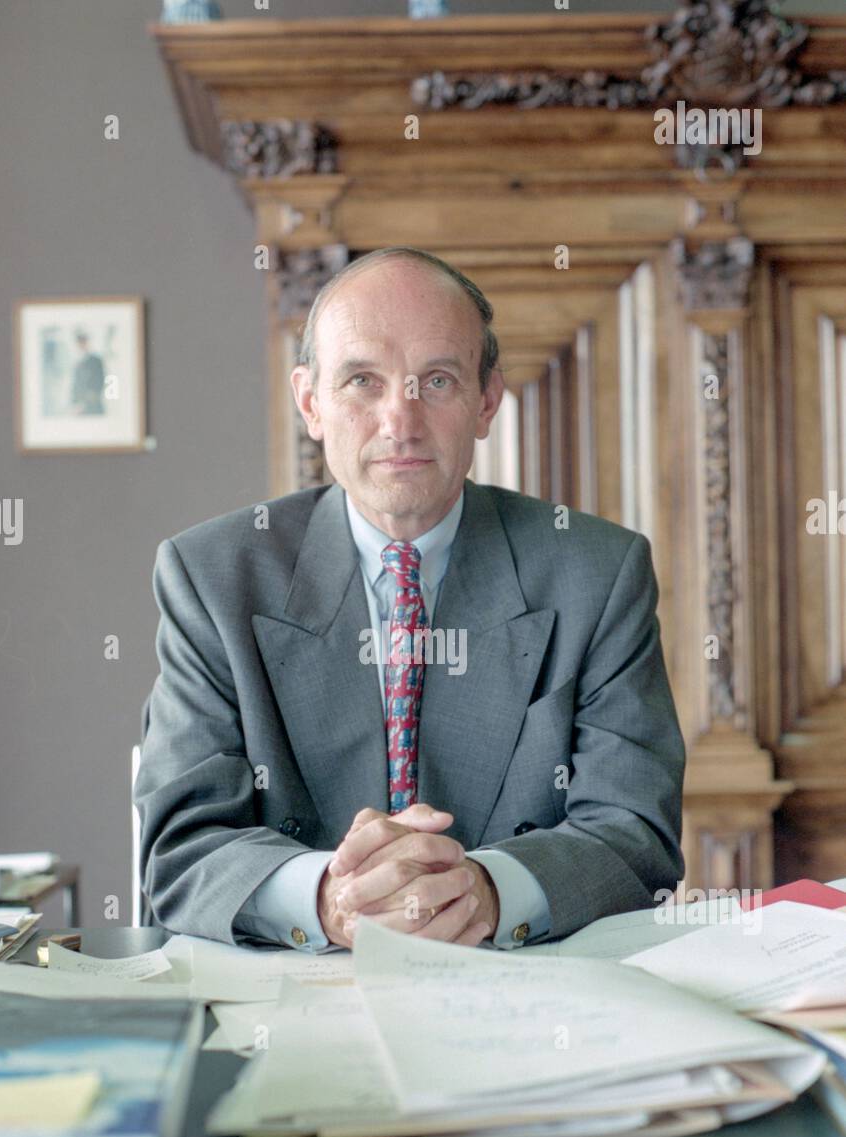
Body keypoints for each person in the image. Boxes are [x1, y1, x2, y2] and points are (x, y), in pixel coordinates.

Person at [134, 247, 685, 953]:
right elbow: (180, 850)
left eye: (437, 379)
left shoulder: (598, 574)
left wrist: (484, 892)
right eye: (363, 379)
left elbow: (635, 832)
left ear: (486, 402)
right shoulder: (210, 578)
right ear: (311, 402)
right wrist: (332, 898)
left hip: (527, 1003)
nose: (401, 420)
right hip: (294, 1003)